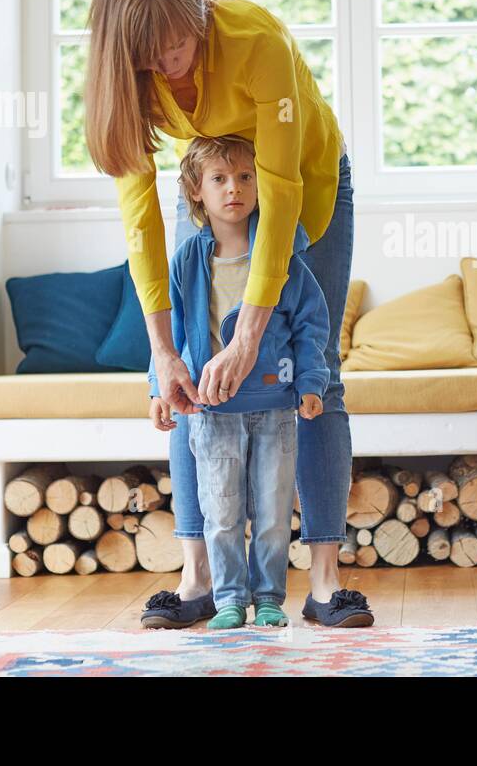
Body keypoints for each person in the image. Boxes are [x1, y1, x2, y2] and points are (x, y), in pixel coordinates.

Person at [84, 0, 373, 628]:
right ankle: (200, 577)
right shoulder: (120, 75)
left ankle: (325, 581)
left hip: (302, 186)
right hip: (215, 194)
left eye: (179, 46)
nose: (170, 65)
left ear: (199, 20)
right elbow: (139, 215)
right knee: (185, 384)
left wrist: (248, 335)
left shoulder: (255, 42)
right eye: (150, 58)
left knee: (314, 372)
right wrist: (162, 350)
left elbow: (280, 187)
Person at [148, 136, 324, 628]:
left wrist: (311, 383)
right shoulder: (187, 260)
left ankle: (269, 597)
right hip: (210, 412)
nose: (234, 189)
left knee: (270, 513)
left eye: (246, 177)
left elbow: (312, 325)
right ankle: (228, 599)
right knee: (221, 514)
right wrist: (156, 390)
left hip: (276, 406)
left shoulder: (282, 257)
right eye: (220, 179)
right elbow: (170, 335)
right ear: (196, 192)